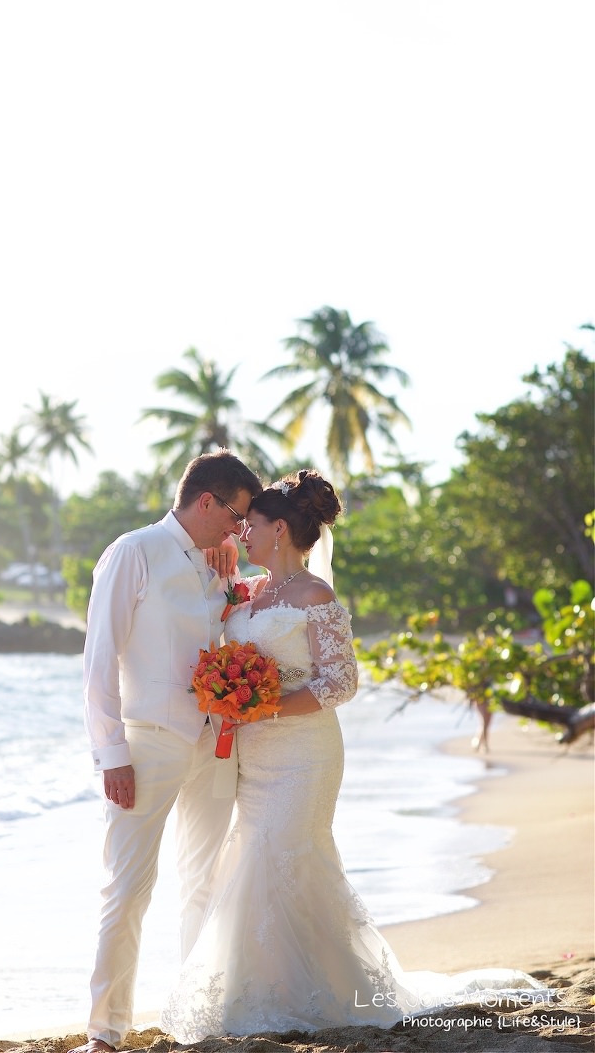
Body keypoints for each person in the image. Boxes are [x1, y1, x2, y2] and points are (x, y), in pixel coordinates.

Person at [161, 469, 550, 1041]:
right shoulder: (246, 591)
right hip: (253, 756)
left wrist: (262, 706)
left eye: (253, 525)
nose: (243, 533)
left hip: (304, 754)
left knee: (283, 855)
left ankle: (300, 994)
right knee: (257, 860)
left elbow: (339, 684)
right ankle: (270, 986)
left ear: (282, 529)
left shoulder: (316, 595)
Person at [72, 450, 263, 1053]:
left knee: (206, 881)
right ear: (205, 500)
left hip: (215, 744)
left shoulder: (220, 562)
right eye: (236, 516)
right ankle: (106, 1031)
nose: (239, 530)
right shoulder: (133, 551)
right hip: (147, 743)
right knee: (127, 888)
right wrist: (111, 755)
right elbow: (99, 661)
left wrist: (231, 577)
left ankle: (194, 1016)